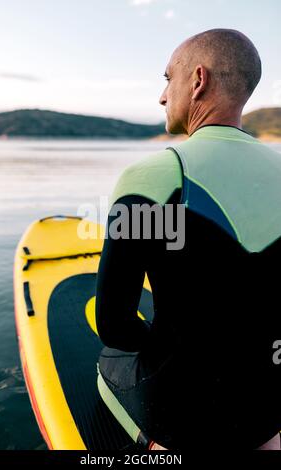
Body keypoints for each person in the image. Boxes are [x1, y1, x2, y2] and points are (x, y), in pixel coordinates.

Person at [95, 28, 281, 451]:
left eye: (167, 78)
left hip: (189, 414)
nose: (162, 96)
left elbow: (114, 324)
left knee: (110, 361)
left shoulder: (154, 177)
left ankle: (160, 446)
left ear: (198, 80)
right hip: (267, 404)